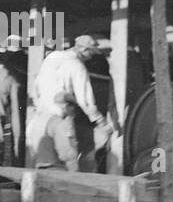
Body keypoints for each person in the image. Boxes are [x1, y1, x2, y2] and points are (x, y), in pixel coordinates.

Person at [25, 34, 114, 172]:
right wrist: (101, 122)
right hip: (60, 119)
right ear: (84, 50)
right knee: (70, 164)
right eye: (91, 53)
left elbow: (36, 86)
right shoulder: (77, 66)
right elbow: (85, 100)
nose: (91, 57)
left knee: (43, 166)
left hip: (39, 120)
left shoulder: (52, 57)